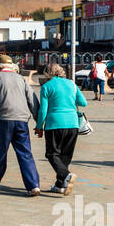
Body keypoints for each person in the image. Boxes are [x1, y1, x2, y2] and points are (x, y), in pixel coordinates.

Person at [0, 54, 41, 195]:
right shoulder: (21, 79)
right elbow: (32, 100)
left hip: (4, 119)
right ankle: (33, 185)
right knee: (25, 153)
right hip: (22, 120)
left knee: (1, 152)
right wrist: (38, 120)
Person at [34, 63, 86, 195]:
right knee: (65, 156)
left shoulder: (46, 87)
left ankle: (66, 175)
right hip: (73, 124)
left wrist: (39, 127)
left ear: (47, 74)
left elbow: (43, 110)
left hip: (54, 124)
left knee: (51, 153)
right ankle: (60, 185)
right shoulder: (72, 84)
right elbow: (83, 102)